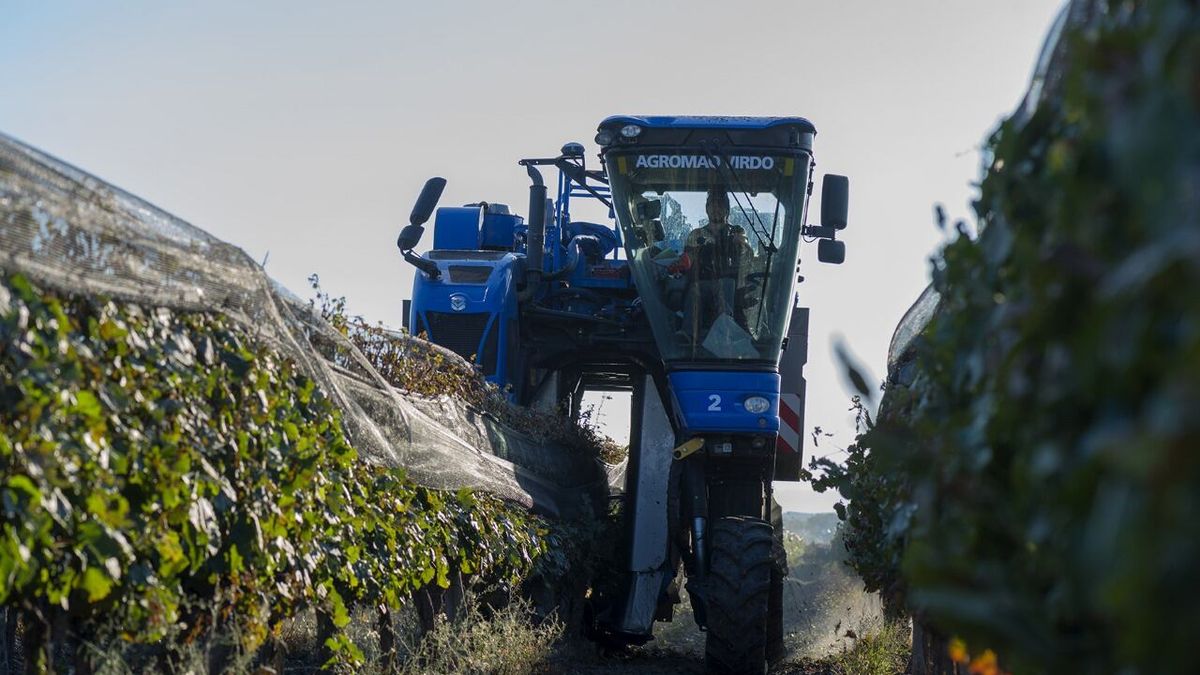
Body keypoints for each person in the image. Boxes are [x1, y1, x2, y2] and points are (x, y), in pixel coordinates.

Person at [679, 187, 754, 350]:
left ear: (727, 209)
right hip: (703, 284)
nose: (716, 209)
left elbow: (747, 254)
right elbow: (687, 261)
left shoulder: (736, 232)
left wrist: (739, 244)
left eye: (720, 205)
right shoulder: (696, 235)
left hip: (732, 287)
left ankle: (726, 334)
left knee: (725, 286)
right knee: (695, 289)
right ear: (707, 209)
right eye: (712, 205)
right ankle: (688, 335)